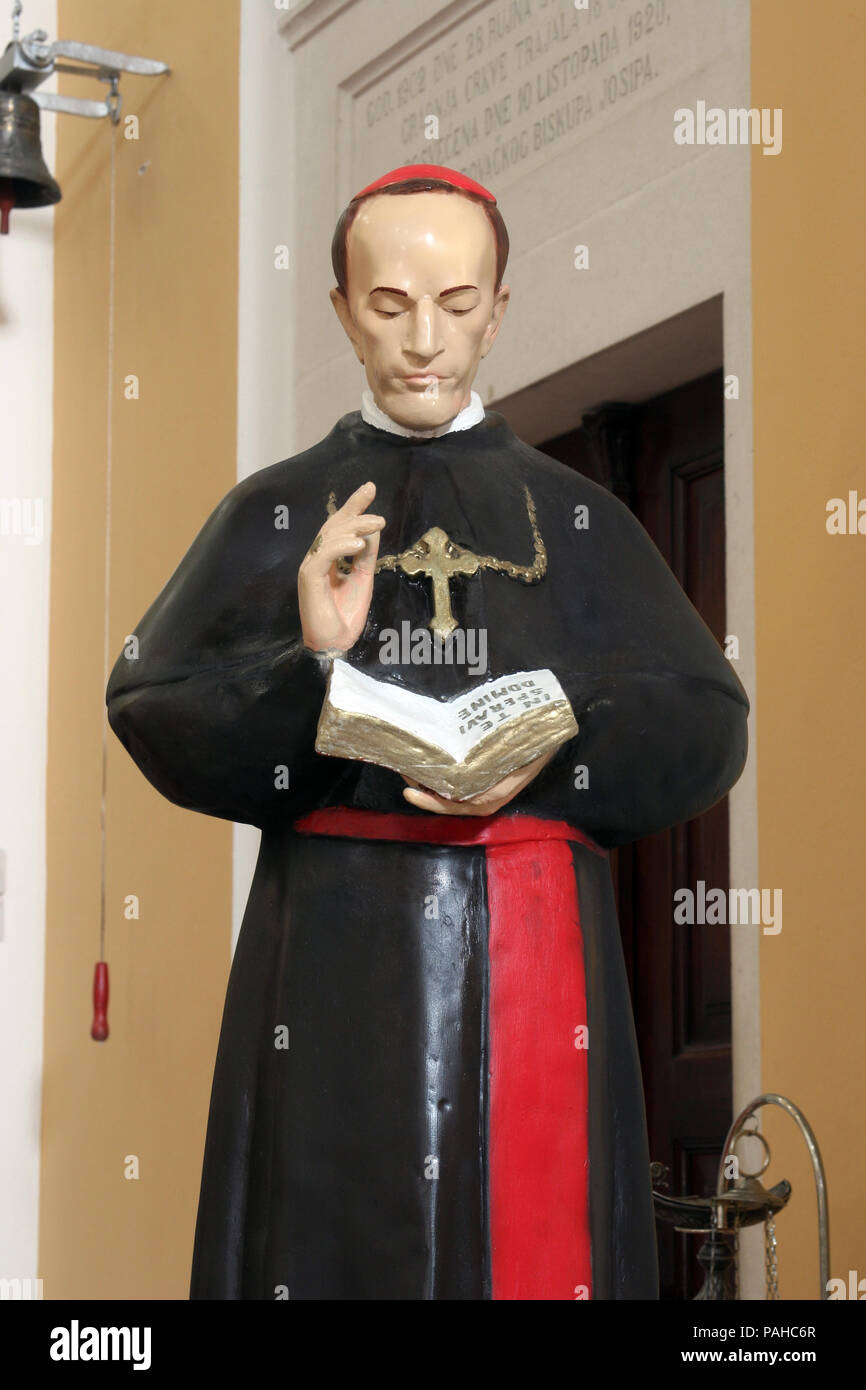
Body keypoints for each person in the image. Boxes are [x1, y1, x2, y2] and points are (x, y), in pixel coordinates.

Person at [106, 164, 749, 1300]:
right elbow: (153, 701)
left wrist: (562, 728)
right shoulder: (274, 508)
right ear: (342, 308)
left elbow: (706, 718)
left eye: (457, 306)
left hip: (537, 956)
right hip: (333, 963)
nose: (423, 342)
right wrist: (307, 665)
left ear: (498, 310)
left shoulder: (578, 516)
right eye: (389, 305)